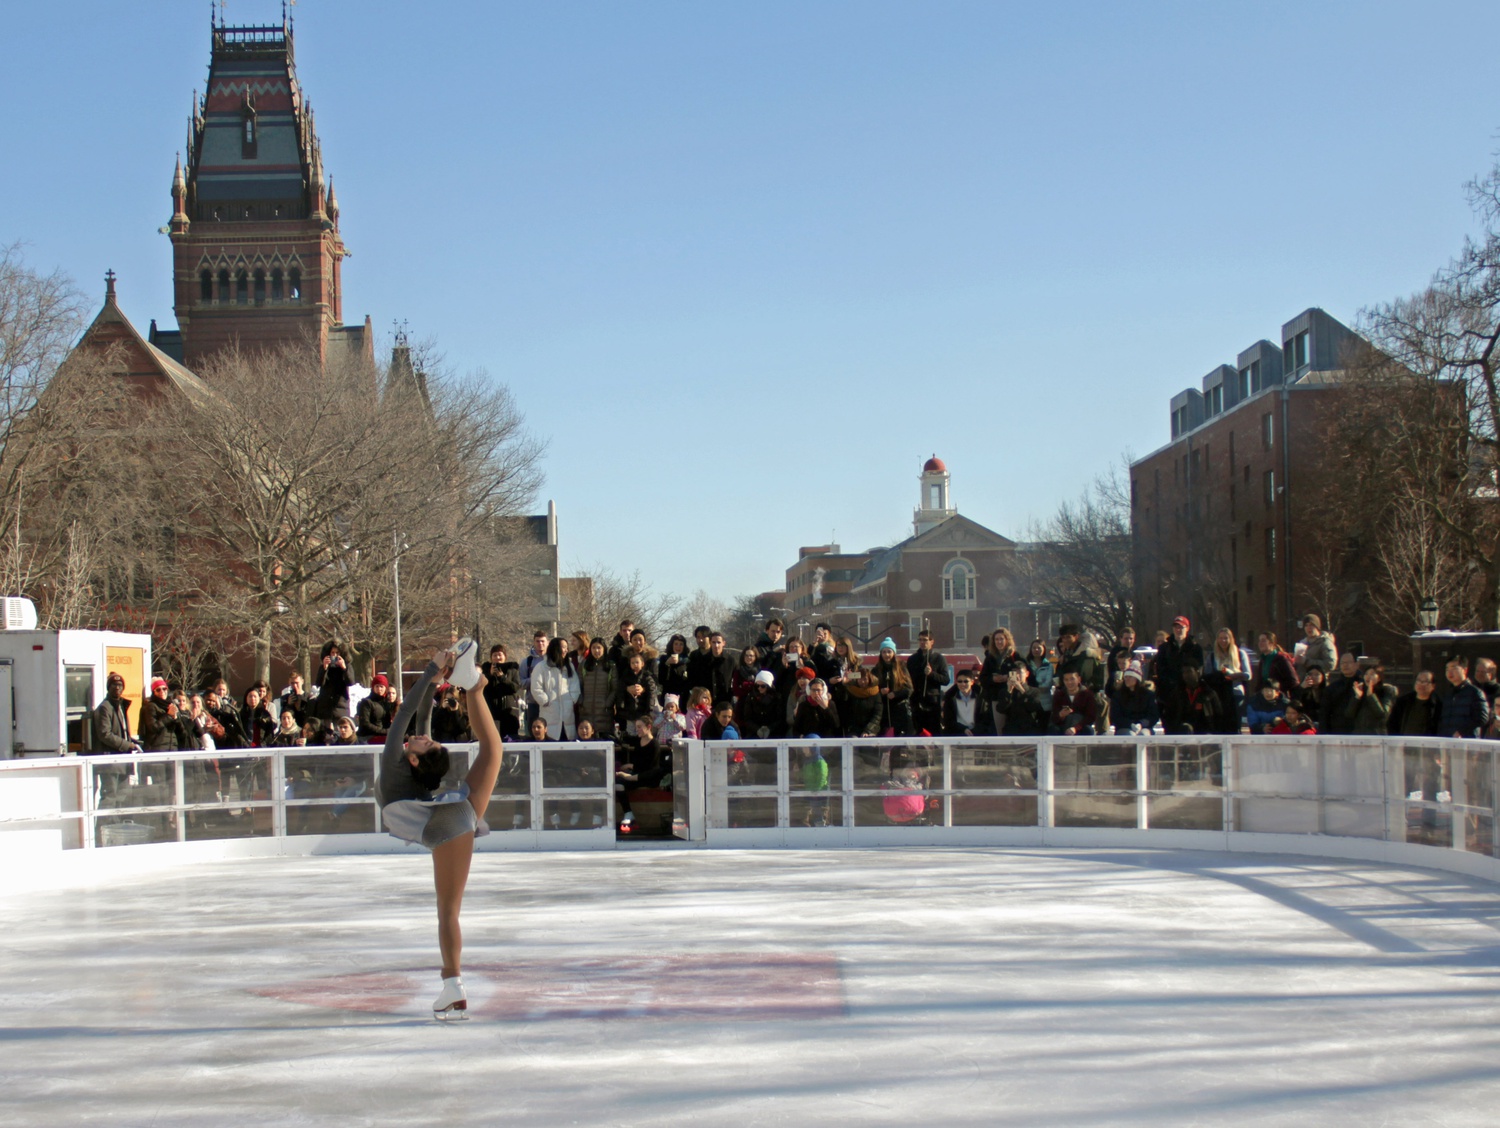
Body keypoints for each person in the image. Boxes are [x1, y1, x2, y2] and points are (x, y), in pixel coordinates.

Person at [376, 640, 503, 1020]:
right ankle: (474, 686)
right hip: (450, 817)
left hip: (447, 821)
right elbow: (410, 717)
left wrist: (436, 678)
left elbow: (414, 717)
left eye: (424, 740)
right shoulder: (401, 762)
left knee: (448, 911)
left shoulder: (400, 761)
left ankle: (453, 985)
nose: (422, 735)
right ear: (414, 759)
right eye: (425, 741)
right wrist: (436, 675)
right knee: (493, 750)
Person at [531, 637, 581, 741]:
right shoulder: (541, 667)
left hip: (567, 714)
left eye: (567, 648)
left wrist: (571, 699)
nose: (566, 650)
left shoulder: (569, 666)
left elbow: (575, 686)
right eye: (563, 647)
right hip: (549, 713)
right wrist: (545, 701)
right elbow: (536, 688)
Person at [906, 629, 950, 736]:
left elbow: (945, 680)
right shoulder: (912, 659)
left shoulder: (939, 659)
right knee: (918, 731)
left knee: (933, 732)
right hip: (916, 701)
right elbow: (907, 679)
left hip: (932, 703)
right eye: (920, 640)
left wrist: (931, 674)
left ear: (932, 641)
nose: (922, 642)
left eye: (925, 640)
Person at [1163, 662, 1220, 735]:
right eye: (1184, 672)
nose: (1186, 675)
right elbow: (1169, 715)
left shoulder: (1209, 693)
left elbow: (1218, 716)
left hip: (1205, 732)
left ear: (1197, 672)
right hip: (1182, 732)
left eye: (1189, 671)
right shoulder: (1177, 694)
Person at [1440, 657, 1491, 739]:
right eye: (1447, 669)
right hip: (1447, 742)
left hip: (1467, 742)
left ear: (1465, 670)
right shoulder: (1448, 694)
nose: (1449, 672)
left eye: (1454, 668)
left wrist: (1461, 731)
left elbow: (1482, 718)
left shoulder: (1475, 692)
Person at [1155, 616, 1203, 702]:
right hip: (1169, 692)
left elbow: (1199, 669)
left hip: (1189, 691)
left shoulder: (1195, 648)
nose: (1178, 630)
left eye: (1181, 627)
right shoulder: (1164, 648)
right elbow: (1160, 669)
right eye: (1176, 627)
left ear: (1187, 628)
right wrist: (1170, 682)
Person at [872, 639, 913, 736]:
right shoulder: (876, 670)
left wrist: (895, 694)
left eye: (889, 652)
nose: (887, 655)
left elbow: (909, 689)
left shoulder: (901, 668)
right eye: (884, 652)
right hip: (882, 711)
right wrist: (880, 692)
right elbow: (870, 690)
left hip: (899, 710)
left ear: (894, 653)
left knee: (898, 739)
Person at [575, 639, 616, 738]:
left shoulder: (610, 666)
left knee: (604, 740)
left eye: (599, 648)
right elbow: (577, 685)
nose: (596, 650)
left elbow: (614, 688)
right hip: (586, 709)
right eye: (593, 648)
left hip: (604, 711)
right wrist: (581, 701)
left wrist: (608, 703)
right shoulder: (584, 665)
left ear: (604, 649)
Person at [91, 671, 138, 754]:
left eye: (120, 685)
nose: (117, 688)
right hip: (111, 757)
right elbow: (105, 735)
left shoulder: (121, 706)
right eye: (114, 685)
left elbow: (122, 732)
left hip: (122, 754)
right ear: (108, 688)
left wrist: (134, 742)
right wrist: (127, 745)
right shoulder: (104, 707)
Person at [481, 645, 522, 740]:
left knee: (510, 739)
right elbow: (483, 689)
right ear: (491, 658)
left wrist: (502, 678)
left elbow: (515, 688)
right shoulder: (486, 670)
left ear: (505, 656)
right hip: (492, 711)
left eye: (500, 655)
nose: (497, 658)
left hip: (509, 711)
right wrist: (490, 675)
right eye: (494, 655)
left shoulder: (512, 670)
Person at [1345, 663, 1397, 735]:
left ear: (1379, 678)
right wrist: (1357, 697)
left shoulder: (1387, 690)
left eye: (1372, 674)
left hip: (1377, 736)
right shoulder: (1360, 689)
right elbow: (1349, 714)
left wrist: (1371, 695)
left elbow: (1383, 714)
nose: (1368, 676)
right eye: (1366, 674)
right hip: (1359, 736)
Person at [1110, 663, 1160, 735]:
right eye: (1126, 677)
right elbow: (1115, 716)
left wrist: (1141, 724)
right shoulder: (1118, 695)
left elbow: (1153, 715)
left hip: (1144, 727)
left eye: (1130, 677)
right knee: (1130, 735)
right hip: (1124, 728)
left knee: (1143, 735)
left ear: (1137, 679)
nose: (1127, 679)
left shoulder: (1148, 695)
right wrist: (1130, 724)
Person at [1320, 652, 1362, 736]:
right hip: (1337, 731)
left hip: (1359, 731)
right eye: (1342, 663)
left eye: (1348, 662)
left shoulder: (1363, 685)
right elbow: (1324, 713)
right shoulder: (1332, 688)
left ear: (1357, 665)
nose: (1345, 665)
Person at [1389, 671, 1442, 737]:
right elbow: (1392, 724)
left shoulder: (1437, 705)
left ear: (1433, 686)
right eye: (1418, 680)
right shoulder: (1403, 702)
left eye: (1425, 682)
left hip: (1427, 744)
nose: (1421, 684)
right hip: (1404, 743)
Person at [313, 641, 354, 721]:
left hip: (340, 706)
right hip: (325, 708)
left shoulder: (347, 666)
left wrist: (344, 668)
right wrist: (324, 669)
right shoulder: (323, 667)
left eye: (337, 653)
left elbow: (350, 682)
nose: (334, 655)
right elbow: (318, 683)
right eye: (332, 652)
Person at [139, 677, 183, 752]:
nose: (162, 691)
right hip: (156, 749)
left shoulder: (172, 705)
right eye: (158, 690)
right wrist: (169, 716)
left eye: (164, 689)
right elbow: (153, 727)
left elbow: (181, 730)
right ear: (154, 692)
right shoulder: (151, 706)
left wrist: (175, 718)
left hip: (173, 749)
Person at [1048, 669, 1097, 736]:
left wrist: (1075, 728)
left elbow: (1090, 717)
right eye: (1066, 680)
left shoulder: (1087, 695)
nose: (1069, 682)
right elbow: (1054, 717)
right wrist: (1060, 715)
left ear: (1079, 679)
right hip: (1063, 727)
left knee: (1088, 730)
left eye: (1072, 679)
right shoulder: (1059, 695)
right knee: (1053, 729)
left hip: (1080, 726)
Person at [738, 670, 781, 739]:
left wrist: (770, 728)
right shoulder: (751, 697)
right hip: (754, 733)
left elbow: (779, 718)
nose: (759, 688)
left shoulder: (776, 698)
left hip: (773, 734)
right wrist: (757, 729)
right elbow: (747, 718)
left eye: (763, 686)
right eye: (757, 685)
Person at [519, 630, 549, 729]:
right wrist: (534, 679)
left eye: (543, 641)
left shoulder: (552, 660)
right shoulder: (527, 662)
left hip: (550, 703)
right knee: (533, 733)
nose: (540, 644)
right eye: (537, 641)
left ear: (547, 642)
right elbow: (521, 683)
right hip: (533, 704)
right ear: (534, 642)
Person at [942, 668, 982, 736]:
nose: (962, 684)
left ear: (972, 682)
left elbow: (985, 719)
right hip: (957, 733)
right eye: (959, 681)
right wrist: (963, 729)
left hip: (977, 733)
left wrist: (975, 730)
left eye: (966, 681)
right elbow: (948, 721)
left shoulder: (981, 698)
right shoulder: (950, 698)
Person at [1296, 614, 1338, 679]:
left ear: (1317, 627)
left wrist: (1307, 661)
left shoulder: (1325, 642)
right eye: (1306, 625)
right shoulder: (1302, 643)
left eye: (1311, 625)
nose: (1308, 628)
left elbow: (1330, 664)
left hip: (1318, 683)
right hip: (1303, 683)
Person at [357, 674, 396, 742]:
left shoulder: (386, 703)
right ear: (373, 687)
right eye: (377, 686)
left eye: (381, 686)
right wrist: (384, 731)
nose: (379, 689)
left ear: (385, 688)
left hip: (382, 735)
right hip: (368, 736)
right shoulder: (367, 702)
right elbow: (365, 724)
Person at [658, 634, 693, 707]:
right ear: (672, 645)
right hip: (668, 697)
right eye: (676, 644)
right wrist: (667, 664)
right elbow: (661, 679)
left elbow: (690, 681)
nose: (678, 647)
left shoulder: (688, 661)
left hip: (683, 697)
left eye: (681, 644)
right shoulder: (664, 659)